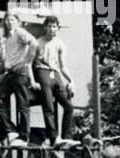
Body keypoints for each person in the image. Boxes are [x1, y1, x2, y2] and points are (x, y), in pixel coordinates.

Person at [0, 12, 38, 144]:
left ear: (17, 21)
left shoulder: (20, 32)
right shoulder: (9, 37)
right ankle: (11, 130)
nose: (9, 22)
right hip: (10, 73)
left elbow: (33, 43)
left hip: (20, 73)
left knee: (22, 104)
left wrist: (26, 62)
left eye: (12, 20)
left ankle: (24, 136)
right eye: (7, 20)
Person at [33, 15, 75, 143]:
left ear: (57, 28)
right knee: (48, 106)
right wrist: (32, 80)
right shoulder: (38, 42)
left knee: (69, 106)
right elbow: (30, 62)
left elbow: (63, 66)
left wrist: (71, 81)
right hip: (42, 71)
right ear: (45, 27)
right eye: (49, 26)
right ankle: (54, 137)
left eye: (54, 26)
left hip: (55, 73)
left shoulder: (59, 44)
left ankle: (66, 137)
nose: (52, 29)